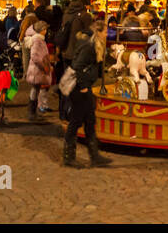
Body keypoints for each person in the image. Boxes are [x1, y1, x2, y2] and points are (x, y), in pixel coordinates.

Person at [62, 17, 112, 168]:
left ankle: (94, 155)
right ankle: (69, 156)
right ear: (98, 32)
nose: (107, 34)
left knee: (90, 120)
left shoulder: (96, 46)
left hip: (85, 87)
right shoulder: (89, 46)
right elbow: (78, 65)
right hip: (79, 88)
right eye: (105, 32)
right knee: (76, 120)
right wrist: (83, 86)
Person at [25, 20, 52, 121]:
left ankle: (33, 112)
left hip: (37, 70)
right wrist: (43, 66)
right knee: (35, 90)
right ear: (41, 30)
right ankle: (32, 113)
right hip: (37, 70)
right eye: (45, 29)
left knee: (35, 90)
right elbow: (35, 56)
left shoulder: (39, 39)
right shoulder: (38, 40)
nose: (46, 30)